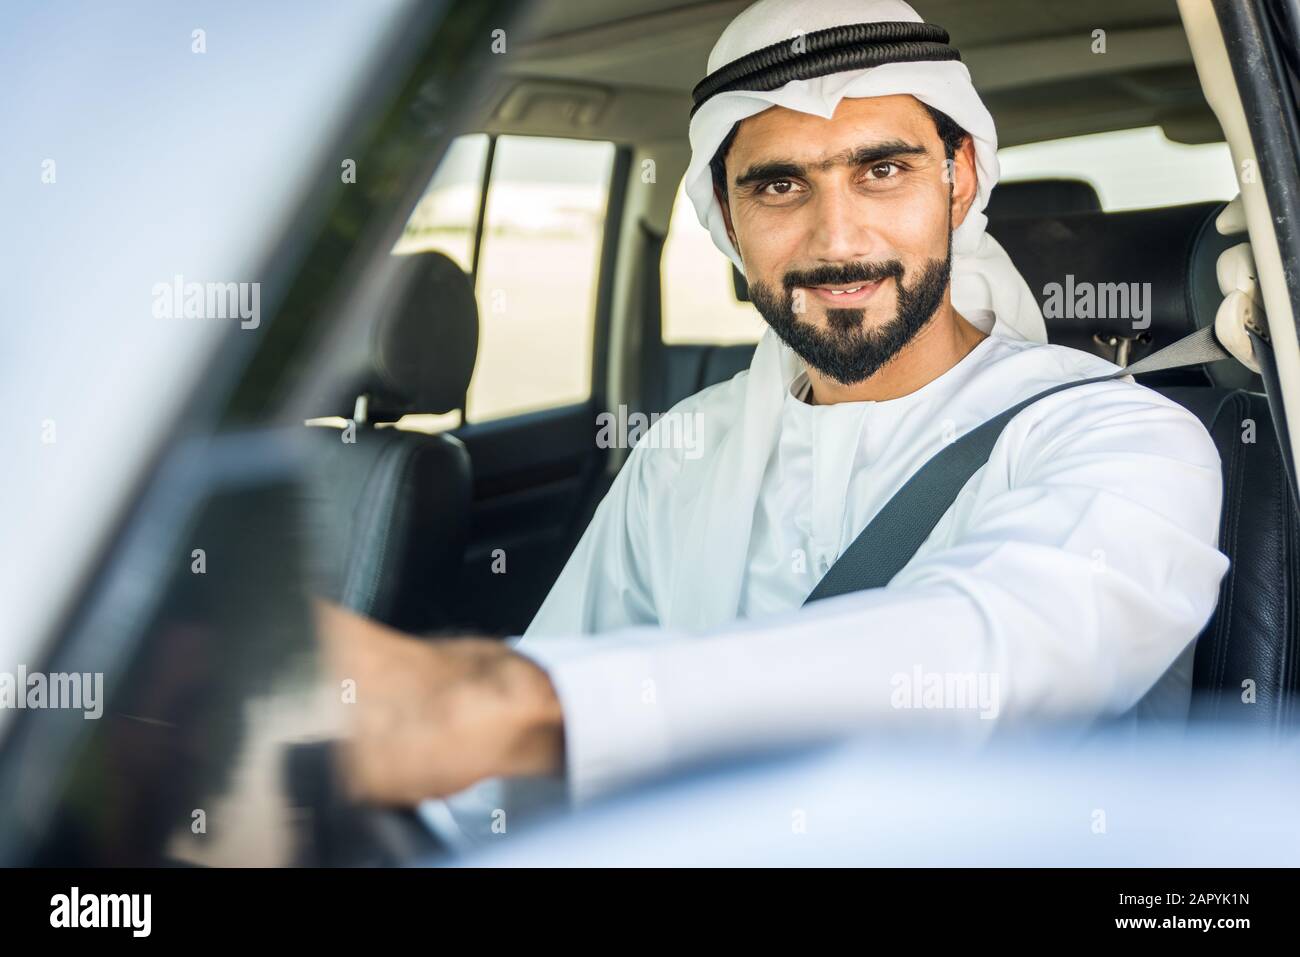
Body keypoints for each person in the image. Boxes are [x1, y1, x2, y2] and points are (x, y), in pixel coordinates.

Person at [320, 0, 1229, 809]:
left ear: (958, 180)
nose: (838, 240)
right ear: (725, 213)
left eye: (883, 171)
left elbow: (987, 655)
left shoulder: (1128, 439)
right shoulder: (683, 447)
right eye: (780, 184)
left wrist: (513, 705)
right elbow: (522, 756)